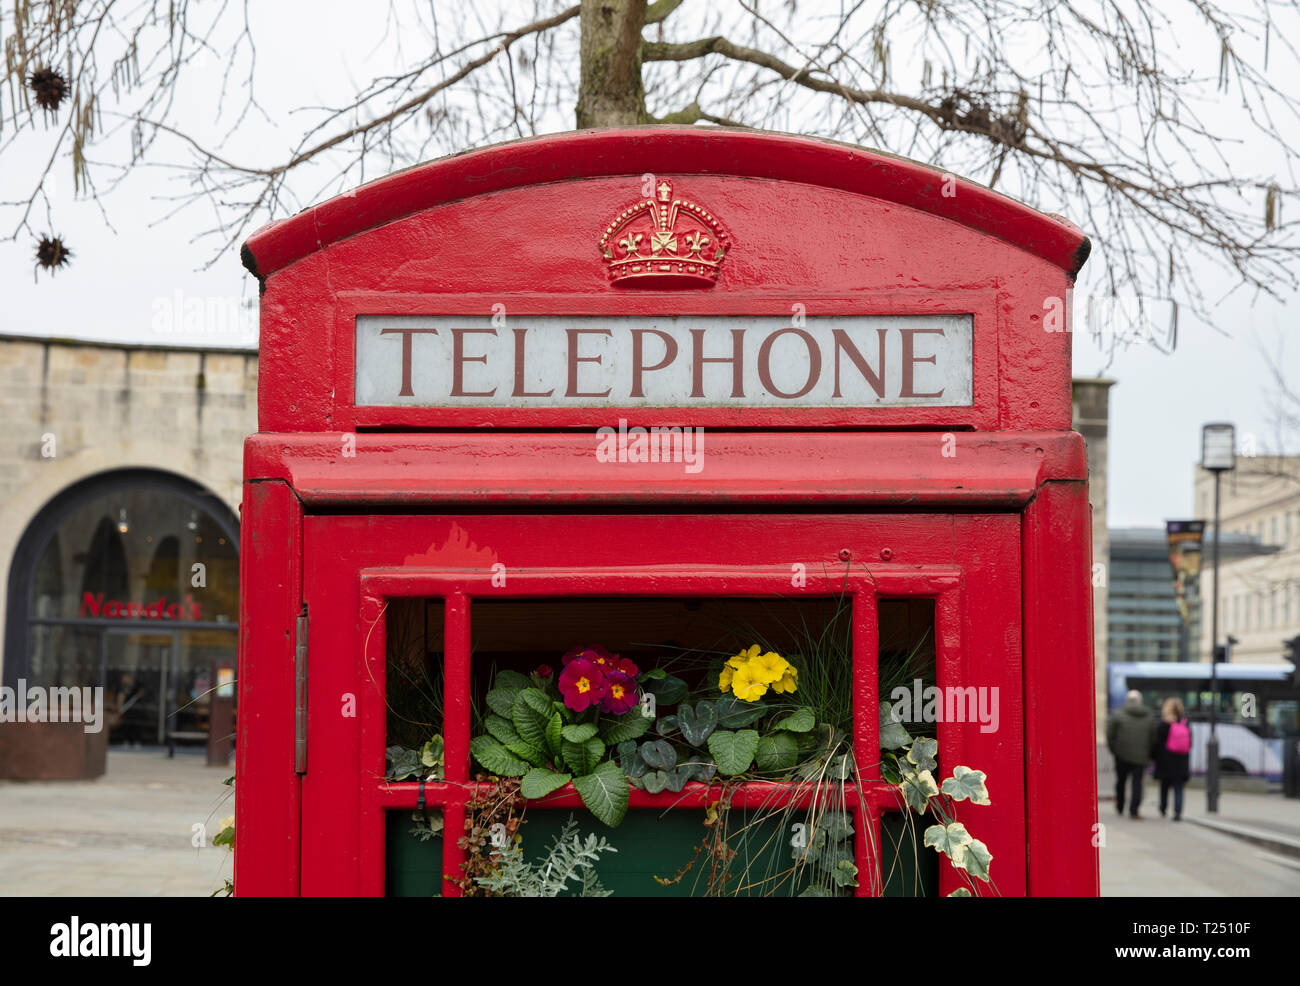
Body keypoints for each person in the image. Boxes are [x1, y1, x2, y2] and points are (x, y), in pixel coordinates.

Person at [1106, 689, 1156, 818]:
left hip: (1121, 755)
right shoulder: (1149, 715)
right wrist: (1150, 754)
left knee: (1121, 781)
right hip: (1141, 756)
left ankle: (1120, 806)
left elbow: (1110, 735)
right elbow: (1153, 737)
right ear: (1140, 701)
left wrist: (1114, 750)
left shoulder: (1117, 714)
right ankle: (1134, 810)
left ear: (1126, 700)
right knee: (1137, 783)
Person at [1152, 697, 1191, 821]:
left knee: (1164, 786)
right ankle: (1178, 812)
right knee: (1178, 788)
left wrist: (1153, 757)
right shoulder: (1185, 723)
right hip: (1181, 761)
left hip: (1165, 761)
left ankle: (1163, 808)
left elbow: (1156, 743)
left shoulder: (1163, 724)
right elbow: (1190, 744)